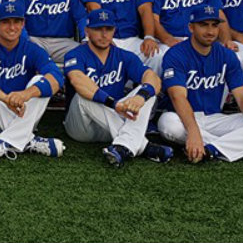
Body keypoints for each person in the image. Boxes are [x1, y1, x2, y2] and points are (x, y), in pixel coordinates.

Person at [157, 4, 243, 163]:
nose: (210, 31)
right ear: (191, 27)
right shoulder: (175, 54)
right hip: (183, 118)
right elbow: (177, 97)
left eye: (214, 25)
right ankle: (236, 145)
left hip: (216, 119)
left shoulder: (227, 55)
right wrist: (194, 132)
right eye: (203, 25)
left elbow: (242, 97)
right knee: (168, 123)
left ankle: (211, 150)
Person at [63, 9, 172, 168]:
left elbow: (153, 78)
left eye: (108, 29)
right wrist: (114, 104)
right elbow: (78, 81)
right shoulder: (75, 54)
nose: (104, 34)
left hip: (111, 123)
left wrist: (140, 97)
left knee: (149, 92)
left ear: (114, 30)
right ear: (87, 31)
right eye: (98, 29)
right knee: (83, 97)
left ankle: (122, 147)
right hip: (81, 126)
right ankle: (144, 146)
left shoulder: (124, 56)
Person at [0, 0, 66, 162]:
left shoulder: (32, 49)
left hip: (22, 114)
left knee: (40, 81)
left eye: (17, 22)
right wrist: (5, 98)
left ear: (23, 24)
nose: (12, 27)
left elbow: (56, 77)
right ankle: (28, 140)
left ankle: (6, 143)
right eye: (6, 22)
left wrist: (26, 94)